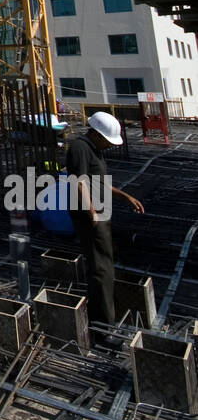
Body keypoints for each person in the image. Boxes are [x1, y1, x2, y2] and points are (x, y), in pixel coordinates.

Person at [66, 113, 144, 339]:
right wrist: (92, 215)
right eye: (109, 140)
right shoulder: (80, 147)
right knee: (101, 268)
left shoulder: (95, 150)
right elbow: (78, 182)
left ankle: (106, 316)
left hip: (100, 214)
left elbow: (98, 182)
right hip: (90, 217)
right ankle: (102, 327)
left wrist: (124, 196)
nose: (110, 145)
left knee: (105, 264)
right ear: (97, 133)